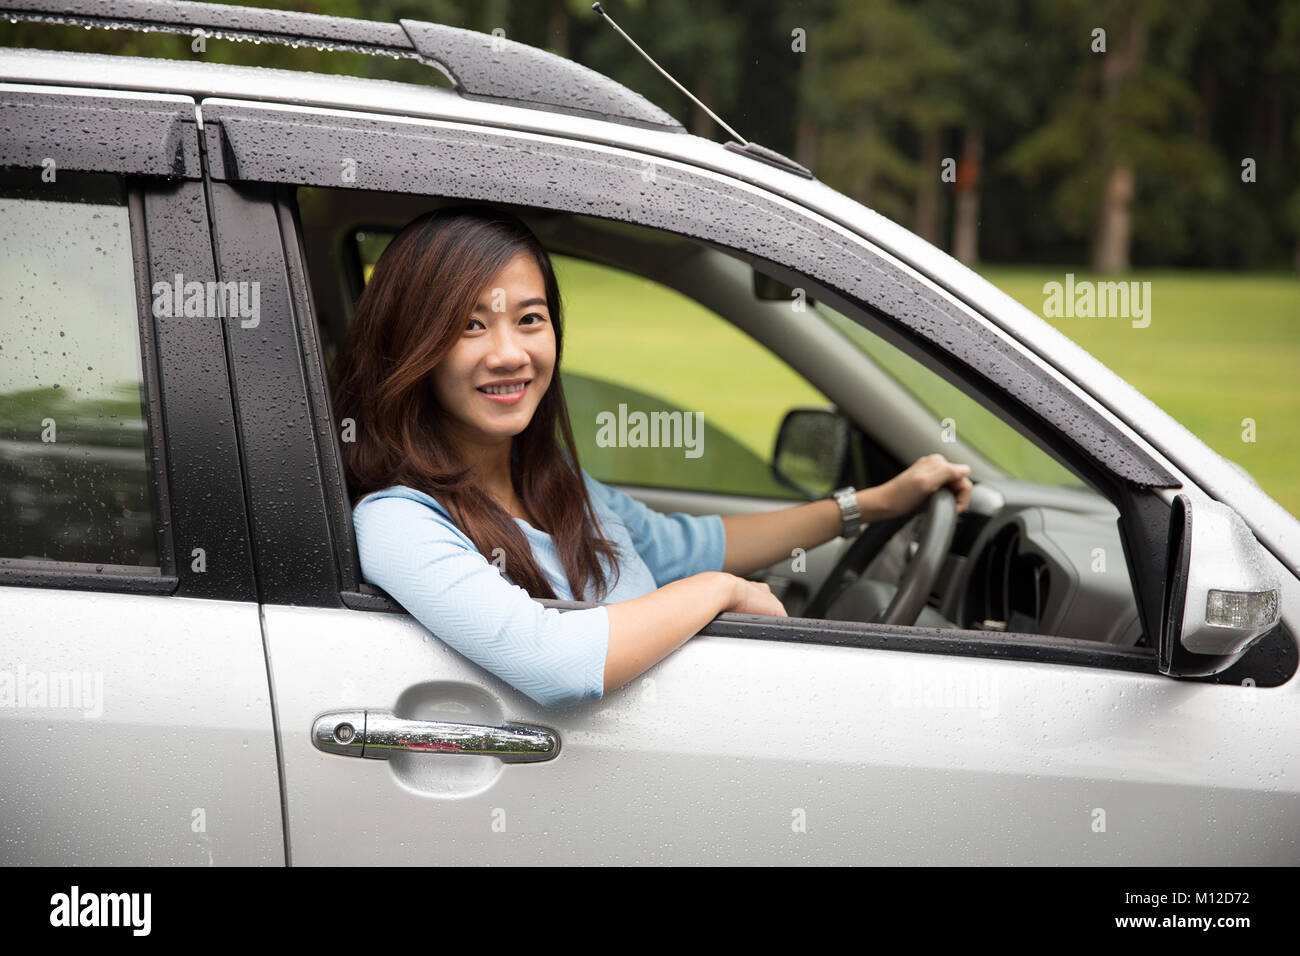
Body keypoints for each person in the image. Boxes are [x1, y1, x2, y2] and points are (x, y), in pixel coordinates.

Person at [333, 205, 973, 709]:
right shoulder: (398, 522)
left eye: (530, 319)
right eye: (471, 326)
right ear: (412, 347)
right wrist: (718, 593)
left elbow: (697, 544)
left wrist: (873, 503)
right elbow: (553, 663)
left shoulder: (563, 489)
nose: (510, 353)